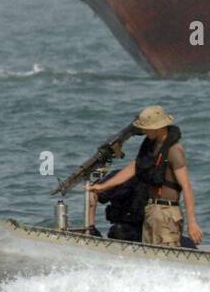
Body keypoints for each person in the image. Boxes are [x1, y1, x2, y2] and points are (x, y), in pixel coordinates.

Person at [87, 105, 203, 248]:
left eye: (147, 128)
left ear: (159, 127)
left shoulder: (174, 150)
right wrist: (103, 186)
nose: (144, 131)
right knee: (150, 256)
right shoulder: (151, 146)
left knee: (166, 255)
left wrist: (192, 223)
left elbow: (187, 187)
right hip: (150, 210)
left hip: (167, 213)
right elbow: (134, 167)